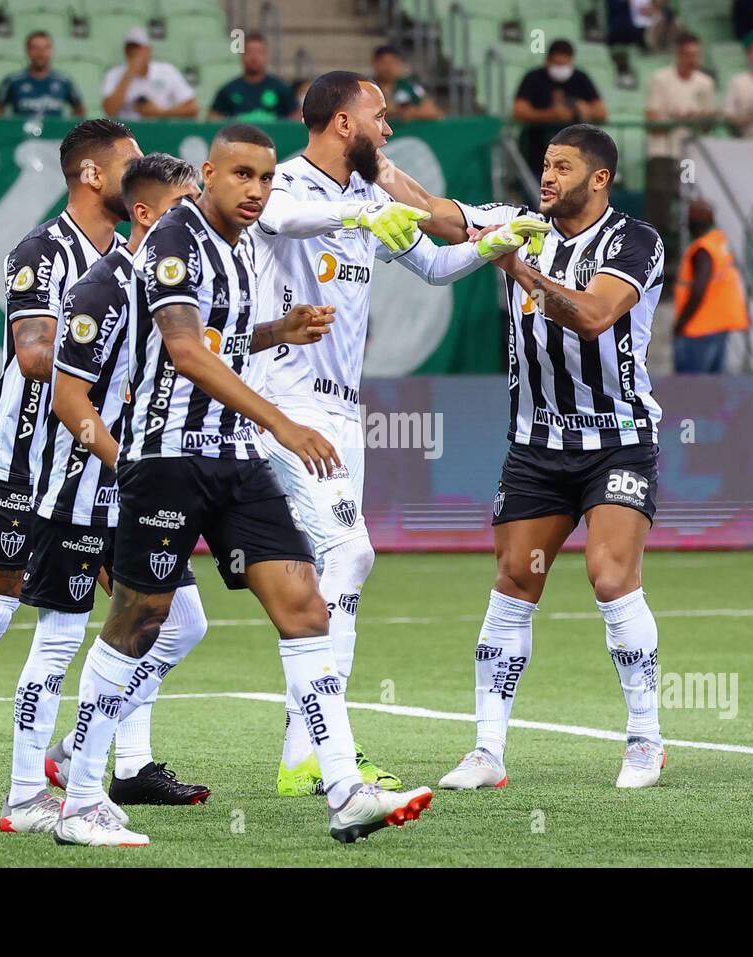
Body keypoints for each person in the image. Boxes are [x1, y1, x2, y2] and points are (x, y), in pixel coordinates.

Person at [54, 123, 435, 847]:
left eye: (266, 177)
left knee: (305, 605)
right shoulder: (175, 236)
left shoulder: (237, 252)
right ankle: (79, 801)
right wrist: (285, 425)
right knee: (138, 620)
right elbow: (186, 353)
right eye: (242, 176)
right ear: (209, 174)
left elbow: (220, 340)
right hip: (166, 460)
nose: (257, 190)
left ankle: (343, 787)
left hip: (236, 460)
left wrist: (276, 331)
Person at [250, 71, 531, 798]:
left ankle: (302, 751)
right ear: (343, 123)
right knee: (351, 556)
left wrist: (499, 241)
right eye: (380, 116)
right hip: (284, 399)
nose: (389, 128)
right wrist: (357, 218)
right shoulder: (281, 184)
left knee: (323, 573)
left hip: (344, 410)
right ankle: (320, 751)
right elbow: (280, 221)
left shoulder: (369, 196)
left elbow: (437, 264)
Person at [380, 125, 669, 792]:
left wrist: (517, 269)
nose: (548, 177)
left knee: (608, 574)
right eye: (545, 164)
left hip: (617, 440)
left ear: (599, 179)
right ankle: (487, 751)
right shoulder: (519, 222)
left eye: (563, 167)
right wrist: (377, 169)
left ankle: (646, 739)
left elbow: (595, 316)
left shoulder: (634, 240)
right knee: (514, 579)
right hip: (537, 445)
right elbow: (441, 213)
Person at [0, 120, 141, 813]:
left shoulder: (134, 255)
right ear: (92, 177)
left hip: (96, 466)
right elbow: (37, 352)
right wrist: (110, 362)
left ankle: (88, 755)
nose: (140, 180)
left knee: (153, 611)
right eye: (128, 166)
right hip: (23, 462)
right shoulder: (42, 251)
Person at [0, 154, 211, 835]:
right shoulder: (106, 286)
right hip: (78, 488)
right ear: (147, 212)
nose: (197, 214)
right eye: (186, 202)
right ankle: (26, 792)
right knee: (59, 637)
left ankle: (76, 754)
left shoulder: (166, 282)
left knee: (180, 623)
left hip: (133, 490)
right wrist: (123, 462)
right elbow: (69, 396)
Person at [644, 31, 716, 252]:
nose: (692, 60)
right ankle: (651, 254)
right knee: (660, 202)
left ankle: (692, 252)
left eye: (696, 55)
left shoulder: (705, 83)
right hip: (664, 151)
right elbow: (653, 120)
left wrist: (698, 119)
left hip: (691, 154)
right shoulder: (661, 79)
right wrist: (680, 119)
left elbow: (708, 122)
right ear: (678, 55)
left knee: (694, 204)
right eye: (687, 54)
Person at [672, 200, 748, 373]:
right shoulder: (719, 243)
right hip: (717, 325)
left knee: (691, 389)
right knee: (712, 390)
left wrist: (680, 324)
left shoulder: (703, 249)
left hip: (698, 328)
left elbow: (699, 289)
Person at [512, 39, 607, 177]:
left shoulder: (580, 79)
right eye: (557, 64)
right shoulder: (533, 78)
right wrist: (550, 115)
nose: (561, 68)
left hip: (573, 152)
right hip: (536, 149)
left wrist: (585, 110)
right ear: (548, 61)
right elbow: (518, 111)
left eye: (565, 64)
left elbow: (602, 112)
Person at [101, 27, 197, 121]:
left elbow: (192, 108)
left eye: (138, 48)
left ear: (148, 50)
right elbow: (110, 111)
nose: (133, 52)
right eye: (129, 49)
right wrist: (129, 75)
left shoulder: (167, 71)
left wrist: (160, 113)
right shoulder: (114, 73)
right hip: (126, 131)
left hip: (158, 130)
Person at [0, 31, 84, 118]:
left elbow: (79, 109)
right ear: (28, 51)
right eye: (36, 48)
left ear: (51, 51)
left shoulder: (64, 80)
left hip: (55, 135)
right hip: (21, 135)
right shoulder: (12, 80)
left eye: (45, 48)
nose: (41, 53)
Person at [209, 32, 297, 121]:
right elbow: (212, 119)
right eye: (249, 52)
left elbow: (296, 119)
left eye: (259, 52)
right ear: (241, 56)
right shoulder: (228, 90)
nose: (254, 57)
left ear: (266, 56)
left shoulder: (282, 89)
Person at [371, 45, 442, 120]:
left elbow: (433, 111)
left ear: (400, 63)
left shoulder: (410, 86)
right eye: (384, 63)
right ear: (375, 64)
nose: (388, 67)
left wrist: (407, 111)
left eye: (392, 62)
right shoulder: (367, 87)